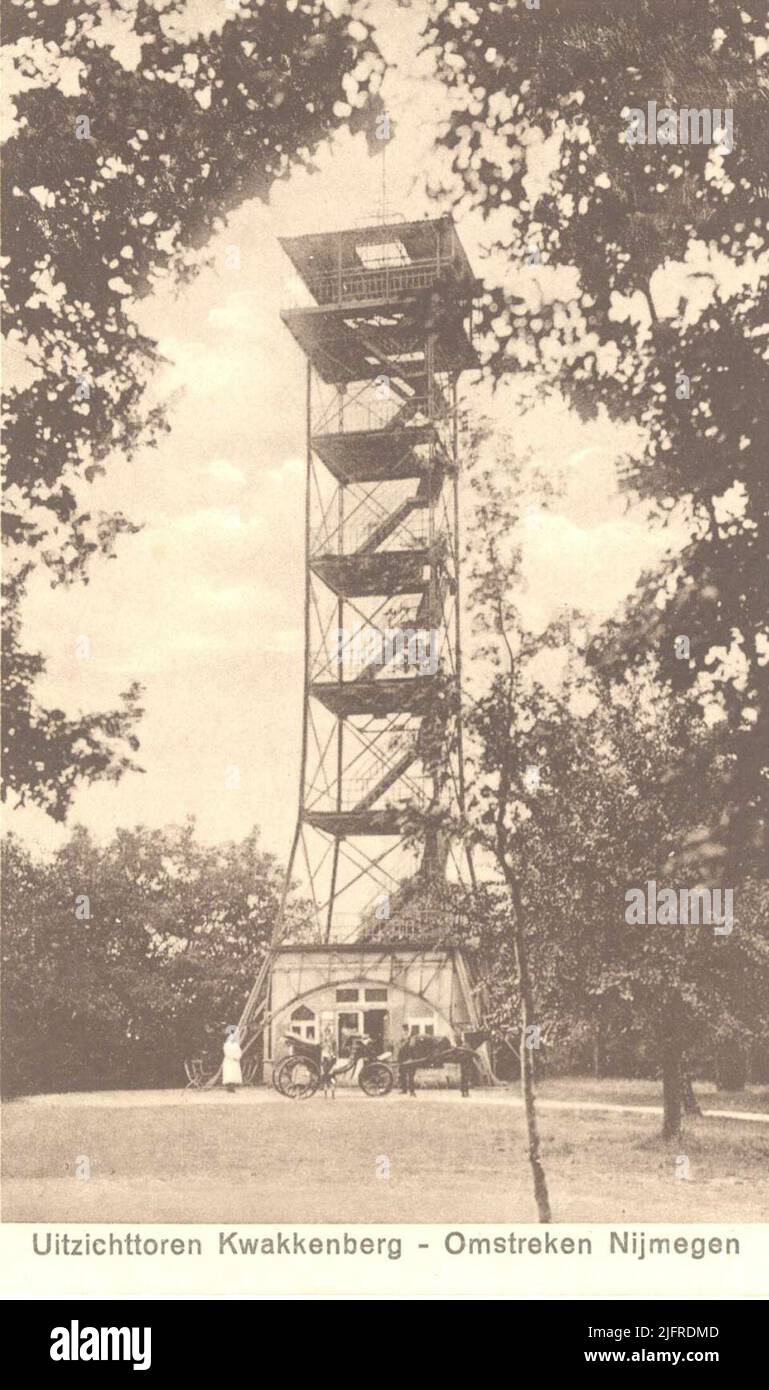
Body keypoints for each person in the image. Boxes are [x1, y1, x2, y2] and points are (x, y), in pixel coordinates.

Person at [398, 1024, 417, 1096]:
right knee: (403, 1074)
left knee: (410, 1075)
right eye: (404, 1030)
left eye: (405, 1030)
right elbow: (401, 1049)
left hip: (410, 1059)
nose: (404, 1032)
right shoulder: (404, 1038)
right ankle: (404, 1090)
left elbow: (412, 1048)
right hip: (403, 1059)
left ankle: (412, 1092)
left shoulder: (411, 1039)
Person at [222, 1025, 243, 1094]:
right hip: (229, 1060)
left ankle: (232, 1086)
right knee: (229, 1073)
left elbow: (239, 1052)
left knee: (234, 1074)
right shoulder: (227, 1044)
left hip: (234, 1060)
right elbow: (226, 1052)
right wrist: (232, 1056)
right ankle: (229, 1087)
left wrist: (237, 1057)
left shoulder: (236, 1045)